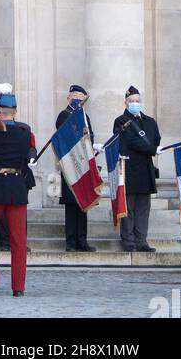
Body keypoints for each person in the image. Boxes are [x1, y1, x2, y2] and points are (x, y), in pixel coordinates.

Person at [0, 89, 36, 296]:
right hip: (17, 187)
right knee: (18, 240)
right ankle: (18, 286)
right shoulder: (24, 133)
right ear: (15, 111)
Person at [114, 86, 162, 254]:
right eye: (131, 101)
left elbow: (156, 138)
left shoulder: (149, 121)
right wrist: (151, 149)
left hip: (145, 169)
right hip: (129, 169)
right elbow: (129, 141)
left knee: (143, 207)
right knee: (128, 206)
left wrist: (152, 148)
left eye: (137, 101)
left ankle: (141, 240)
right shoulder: (121, 121)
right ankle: (128, 240)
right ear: (125, 102)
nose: (135, 104)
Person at [56, 84, 98, 252]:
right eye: (76, 97)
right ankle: (71, 242)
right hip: (70, 165)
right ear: (69, 97)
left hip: (83, 165)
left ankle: (82, 240)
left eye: (82, 98)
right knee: (71, 205)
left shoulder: (84, 116)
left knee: (83, 203)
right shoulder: (64, 115)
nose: (79, 100)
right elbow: (66, 136)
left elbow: (90, 136)